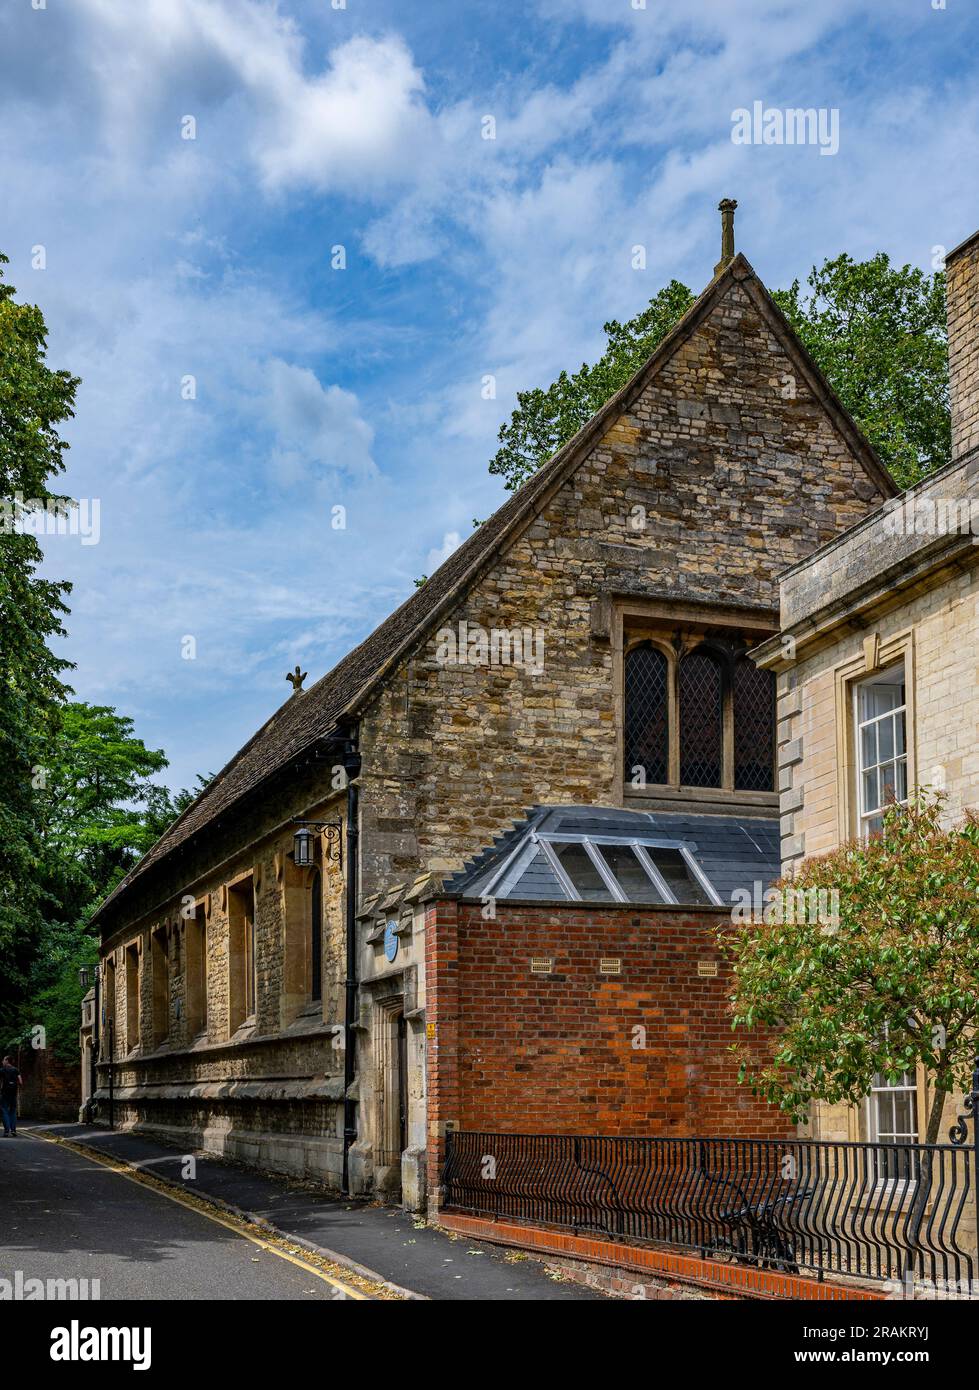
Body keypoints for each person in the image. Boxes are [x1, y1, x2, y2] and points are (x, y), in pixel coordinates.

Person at [1, 1055, 21, 1136]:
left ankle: (6, 1131)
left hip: (5, 1094)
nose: (2, 1061)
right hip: (13, 1094)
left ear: (7, 1061)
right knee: (13, 1112)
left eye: (3, 1060)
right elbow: (20, 1082)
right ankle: (13, 1130)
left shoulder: (2, 1070)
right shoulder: (16, 1070)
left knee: (4, 1111)